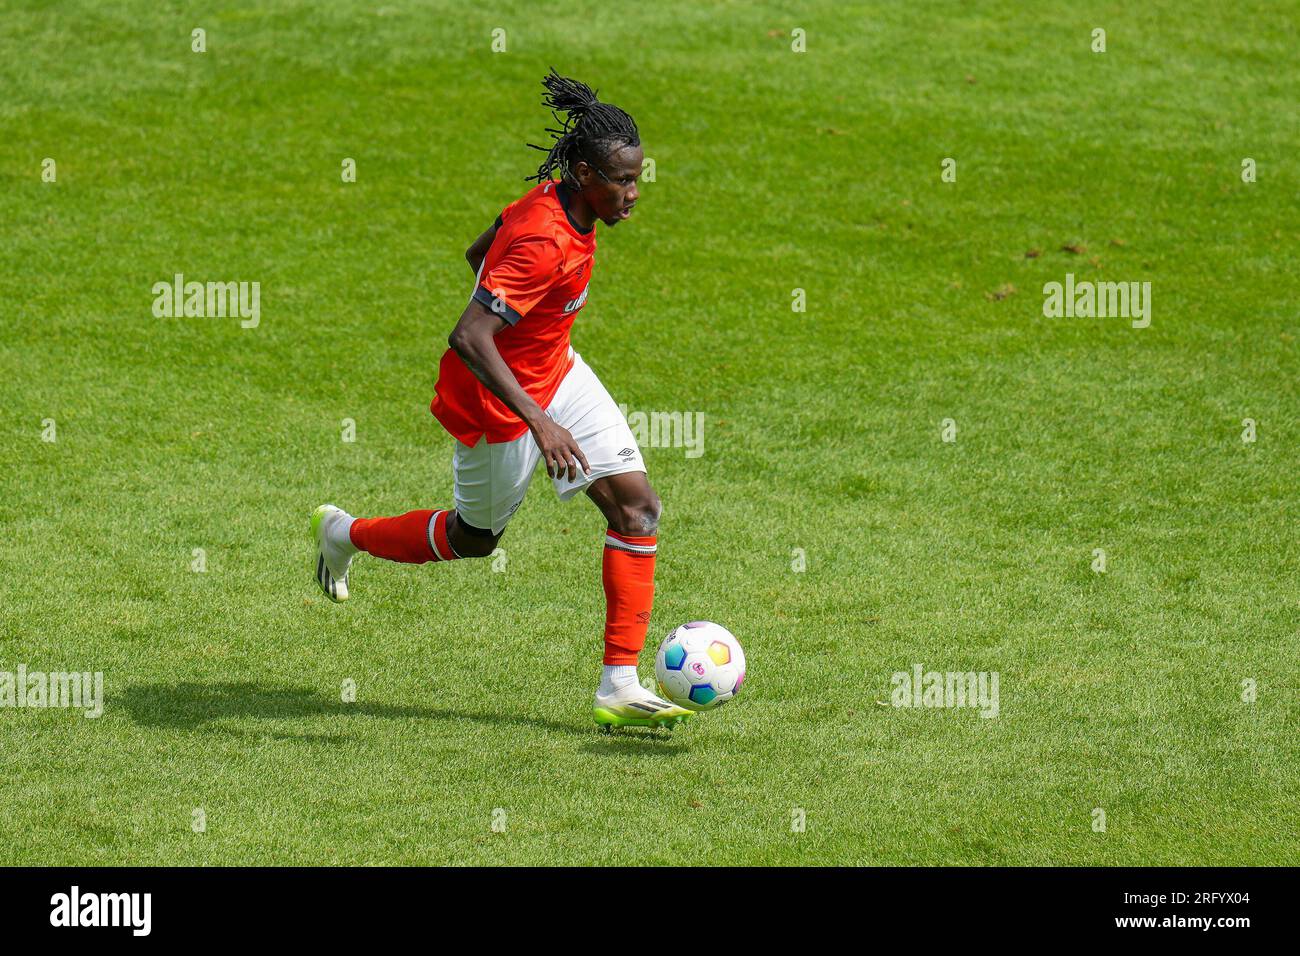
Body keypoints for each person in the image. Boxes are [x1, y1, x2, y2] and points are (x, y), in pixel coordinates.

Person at [311, 70, 690, 729]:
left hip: (556, 372)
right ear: (579, 171)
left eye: (637, 177)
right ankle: (343, 533)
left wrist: (526, 328)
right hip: (500, 404)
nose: (632, 195)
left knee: (639, 508)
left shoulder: (560, 205)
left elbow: (476, 251)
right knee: (474, 538)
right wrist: (538, 421)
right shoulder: (544, 240)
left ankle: (618, 685)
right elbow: (469, 334)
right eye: (619, 181)